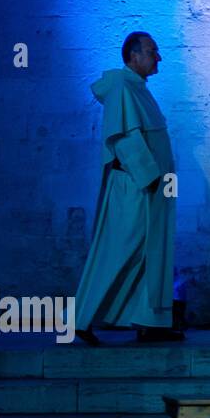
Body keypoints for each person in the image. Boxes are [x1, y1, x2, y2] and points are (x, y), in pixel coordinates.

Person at [73, 32, 180, 345]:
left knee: (152, 254)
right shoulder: (121, 87)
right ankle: (80, 319)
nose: (157, 57)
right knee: (118, 251)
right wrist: (149, 178)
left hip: (152, 188)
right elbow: (124, 138)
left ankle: (150, 322)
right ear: (133, 55)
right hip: (136, 188)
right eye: (152, 51)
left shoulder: (138, 89)